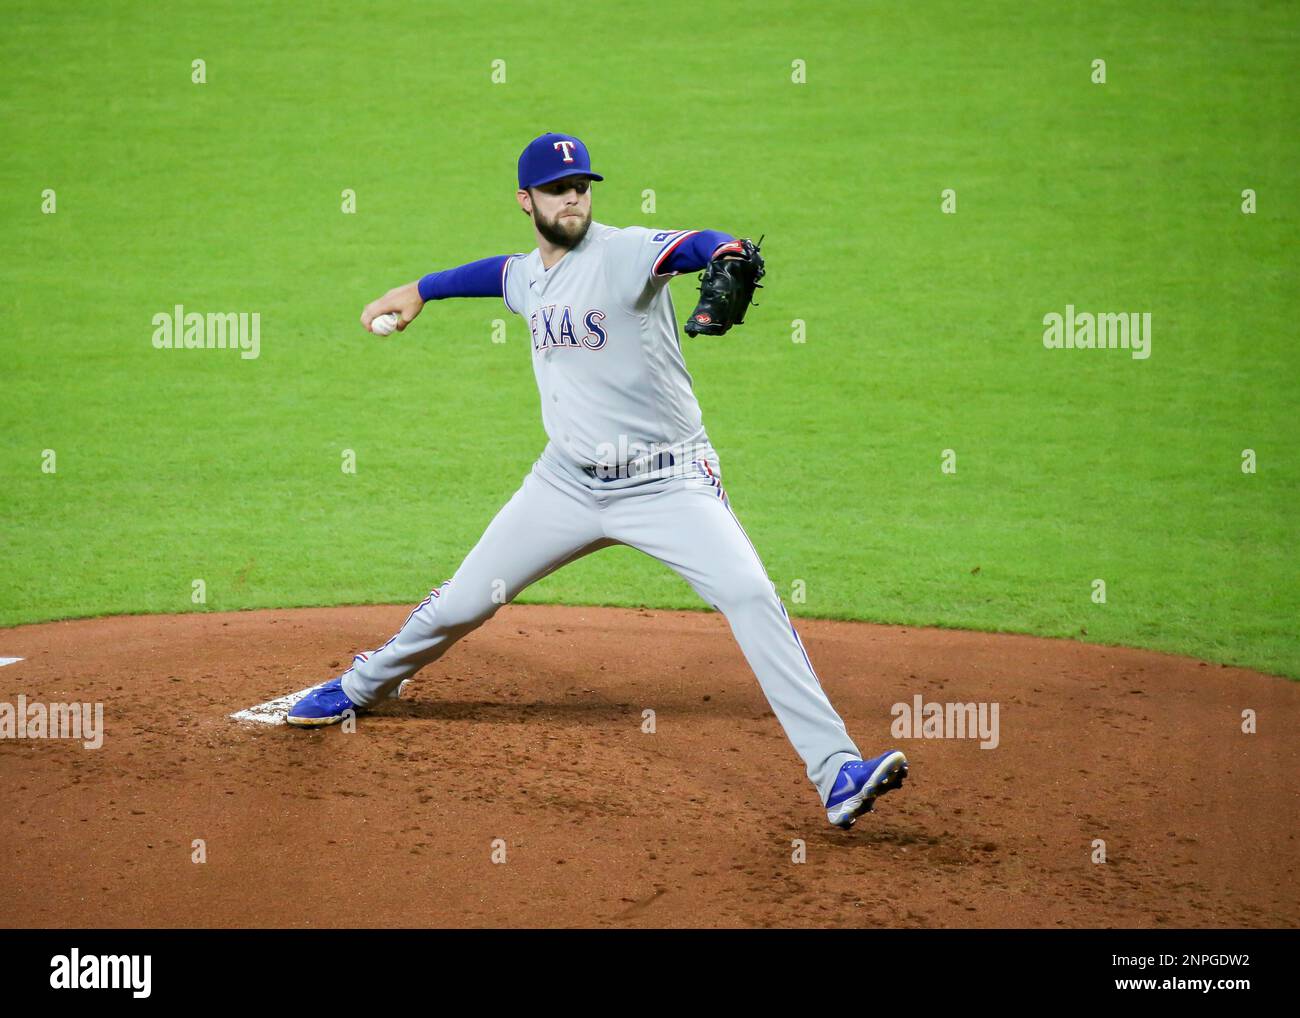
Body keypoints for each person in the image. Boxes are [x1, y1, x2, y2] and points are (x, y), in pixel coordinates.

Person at [287, 132, 907, 828]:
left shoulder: (626, 253)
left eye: (581, 184)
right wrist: (421, 290)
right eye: (557, 188)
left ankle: (836, 772)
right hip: (565, 486)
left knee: (751, 594)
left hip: (668, 483)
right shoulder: (529, 275)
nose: (573, 197)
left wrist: (729, 251)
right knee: (463, 603)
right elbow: (499, 274)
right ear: (527, 201)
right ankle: (362, 686)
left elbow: (696, 244)